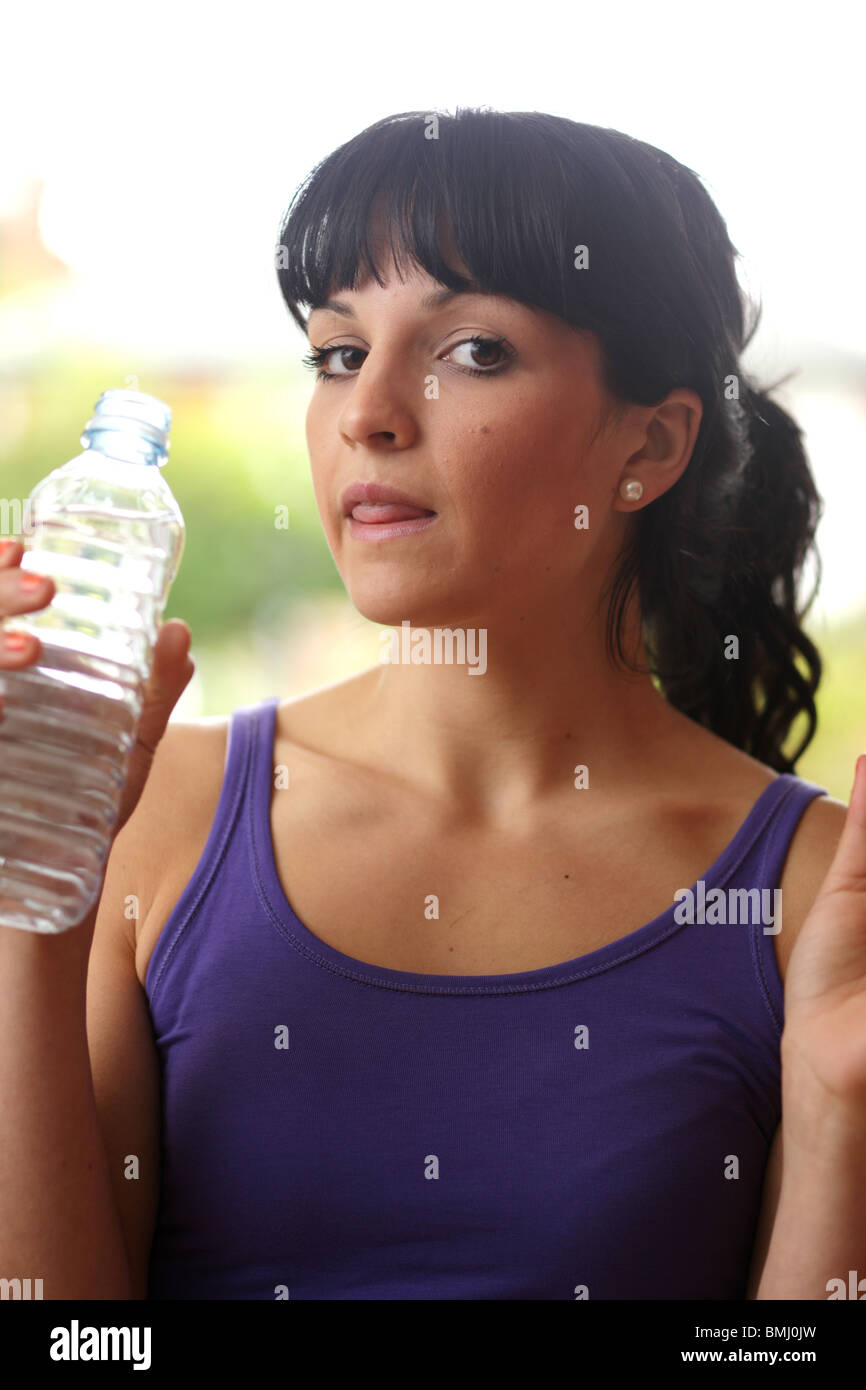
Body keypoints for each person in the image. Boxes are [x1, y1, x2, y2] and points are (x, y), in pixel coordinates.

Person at [2, 107, 864, 1302]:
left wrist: (834, 1108)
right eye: (337, 352)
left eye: (472, 351)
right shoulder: (152, 814)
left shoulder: (812, 897)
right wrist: (33, 899)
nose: (367, 414)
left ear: (650, 443)